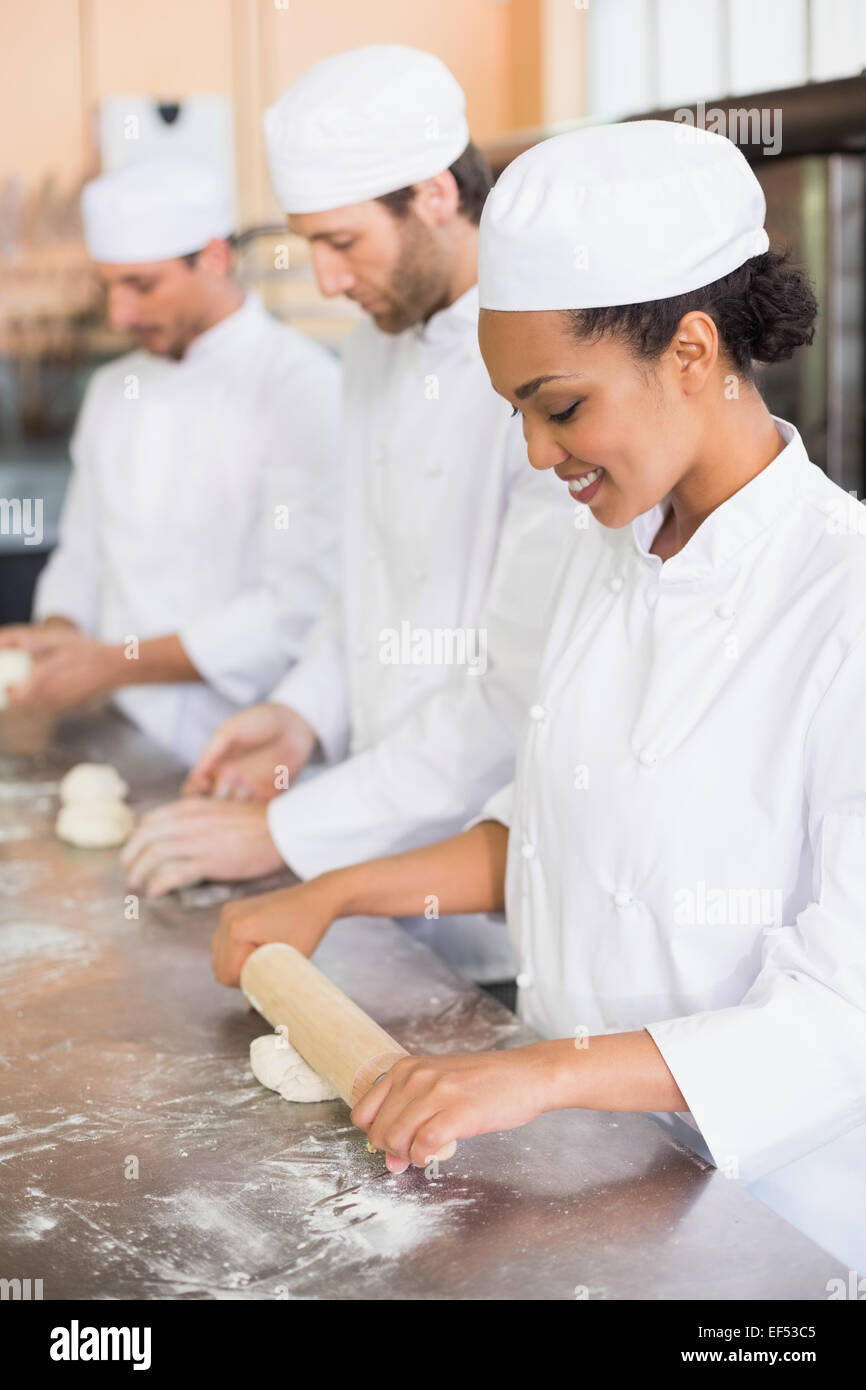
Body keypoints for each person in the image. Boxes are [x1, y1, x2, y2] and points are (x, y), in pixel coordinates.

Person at [210, 119, 866, 1273]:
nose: (532, 453)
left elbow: (840, 1020)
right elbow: (554, 838)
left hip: (772, 1230)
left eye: (558, 406)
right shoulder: (601, 558)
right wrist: (332, 895)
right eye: (512, 409)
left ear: (695, 351)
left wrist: (537, 1072)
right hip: (593, 1187)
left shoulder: (841, 602)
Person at [123, 47, 573, 987]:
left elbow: (516, 693)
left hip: (501, 898)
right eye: (307, 246)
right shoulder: (374, 346)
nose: (325, 282)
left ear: (437, 195)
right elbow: (365, 581)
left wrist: (284, 830)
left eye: (340, 242)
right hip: (371, 867)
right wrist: (299, 715)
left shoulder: (552, 372)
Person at [0, 157, 340, 766]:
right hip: (116, 726)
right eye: (109, 286)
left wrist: (108, 664)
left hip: (247, 742)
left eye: (142, 285)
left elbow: (296, 606)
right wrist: (58, 640)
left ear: (213, 258)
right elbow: (83, 552)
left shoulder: (300, 388)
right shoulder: (112, 389)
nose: (119, 315)